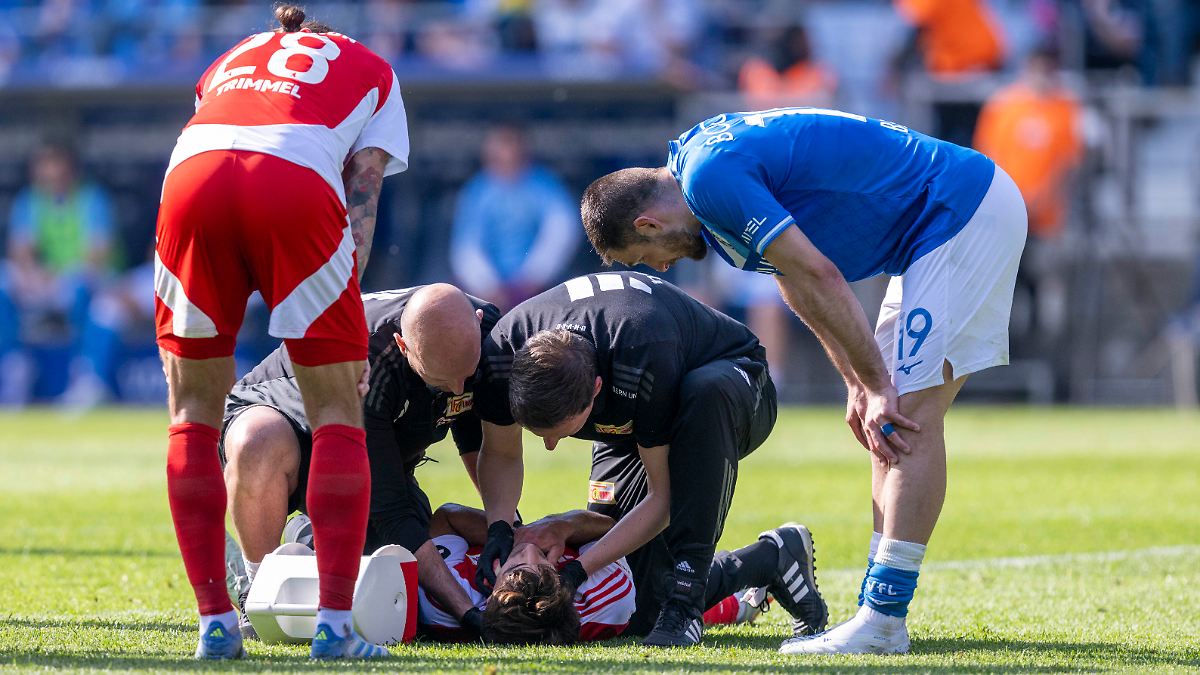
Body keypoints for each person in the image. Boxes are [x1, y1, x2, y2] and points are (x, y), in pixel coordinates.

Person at [579, 106, 1026, 654]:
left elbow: (821, 274)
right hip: (941, 220)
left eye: (646, 256)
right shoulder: (699, 172)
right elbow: (792, 276)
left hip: (959, 210)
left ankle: (883, 619)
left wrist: (876, 384)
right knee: (886, 427)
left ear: (647, 224)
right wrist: (857, 382)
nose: (662, 267)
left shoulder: (709, 179)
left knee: (907, 418)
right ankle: (878, 614)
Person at [153, 5, 409, 660]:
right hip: (292, 177)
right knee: (336, 413)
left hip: (190, 180)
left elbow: (223, 135)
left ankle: (215, 622)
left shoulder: (232, 56)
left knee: (191, 416)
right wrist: (347, 333)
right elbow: (361, 194)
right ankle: (334, 626)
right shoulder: (372, 67)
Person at [471, 271, 828, 647]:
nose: (550, 445)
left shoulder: (641, 355)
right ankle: (774, 557)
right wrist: (500, 529)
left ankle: (686, 604)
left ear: (596, 390)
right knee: (637, 600)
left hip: (734, 383)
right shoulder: (504, 351)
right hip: (633, 409)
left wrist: (577, 571)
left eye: (559, 431)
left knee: (705, 393)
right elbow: (499, 452)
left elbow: (664, 500)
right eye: (537, 431)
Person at [220, 284, 500, 640]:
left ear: (477, 323)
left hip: (373, 443)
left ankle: (308, 538)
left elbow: (479, 439)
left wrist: (504, 529)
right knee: (258, 441)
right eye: (442, 379)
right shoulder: (367, 363)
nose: (458, 387)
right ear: (403, 346)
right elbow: (390, 510)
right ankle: (256, 584)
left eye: (465, 372)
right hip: (289, 416)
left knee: (385, 577)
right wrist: (467, 612)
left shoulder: (492, 332)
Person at [421, 503, 812, 645]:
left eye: (519, 562)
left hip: (575, 572)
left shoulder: (445, 602)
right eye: (536, 561)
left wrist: (512, 532)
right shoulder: (605, 598)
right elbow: (612, 532)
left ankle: (751, 592)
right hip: (627, 596)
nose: (527, 551)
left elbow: (443, 519)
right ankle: (773, 556)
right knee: (659, 601)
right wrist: (562, 531)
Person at [974, 45, 1082, 346]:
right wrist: (1010, 200)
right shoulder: (1003, 106)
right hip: (1006, 216)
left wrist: (1042, 198)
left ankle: (1045, 349)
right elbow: (988, 157)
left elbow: (1069, 163)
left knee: (1046, 286)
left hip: (1047, 219)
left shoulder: (1065, 107)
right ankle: (1006, 350)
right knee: (1005, 284)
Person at [0, 141, 116, 407]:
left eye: (56, 164)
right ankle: (13, 365)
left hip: (82, 279)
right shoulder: (29, 200)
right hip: (44, 280)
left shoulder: (92, 199)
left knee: (81, 286)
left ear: (71, 168)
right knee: (3, 280)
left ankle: (85, 374)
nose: (50, 172)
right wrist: (35, 274)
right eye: (44, 165)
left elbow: (97, 253)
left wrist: (60, 276)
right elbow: (20, 250)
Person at [450, 124, 579, 311]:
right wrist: (487, 286)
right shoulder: (477, 190)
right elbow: (466, 246)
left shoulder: (545, 185)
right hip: (486, 295)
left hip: (540, 291)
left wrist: (533, 277)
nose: (507, 157)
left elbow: (561, 232)